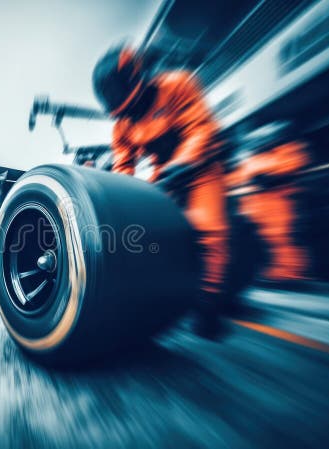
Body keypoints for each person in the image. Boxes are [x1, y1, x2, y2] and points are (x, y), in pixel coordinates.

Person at [92, 44, 229, 337]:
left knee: (208, 232)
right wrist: (123, 195)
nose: (129, 114)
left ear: (142, 79)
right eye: (123, 111)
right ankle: (156, 293)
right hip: (165, 172)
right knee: (145, 232)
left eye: (132, 105)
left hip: (202, 166)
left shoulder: (179, 84)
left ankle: (208, 304)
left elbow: (201, 128)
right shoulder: (122, 125)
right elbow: (124, 165)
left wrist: (184, 163)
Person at [227, 139, 311, 285]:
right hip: (257, 209)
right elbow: (235, 179)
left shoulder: (284, 152)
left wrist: (267, 177)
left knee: (279, 238)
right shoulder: (253, 161)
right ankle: (274, 272)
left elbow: (292, 166)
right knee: (264, 242)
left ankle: (290, 273)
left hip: (276, 206)